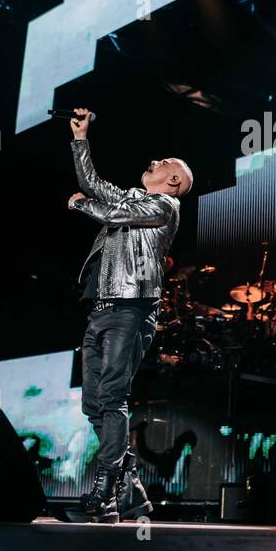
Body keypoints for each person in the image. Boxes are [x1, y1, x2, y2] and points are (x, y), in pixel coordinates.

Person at [66, 108, 192, 522]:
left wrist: (84, 205)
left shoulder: (165, 207)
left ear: (172, 181)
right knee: (92, 404)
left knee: (112, 397)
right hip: (101, 308)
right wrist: (81, 138)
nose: (153, 162)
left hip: (131, 309)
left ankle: (104, 496)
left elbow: (108, 210)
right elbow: (95, 185)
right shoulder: (138, 198)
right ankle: (129, 479)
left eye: (163, 163)